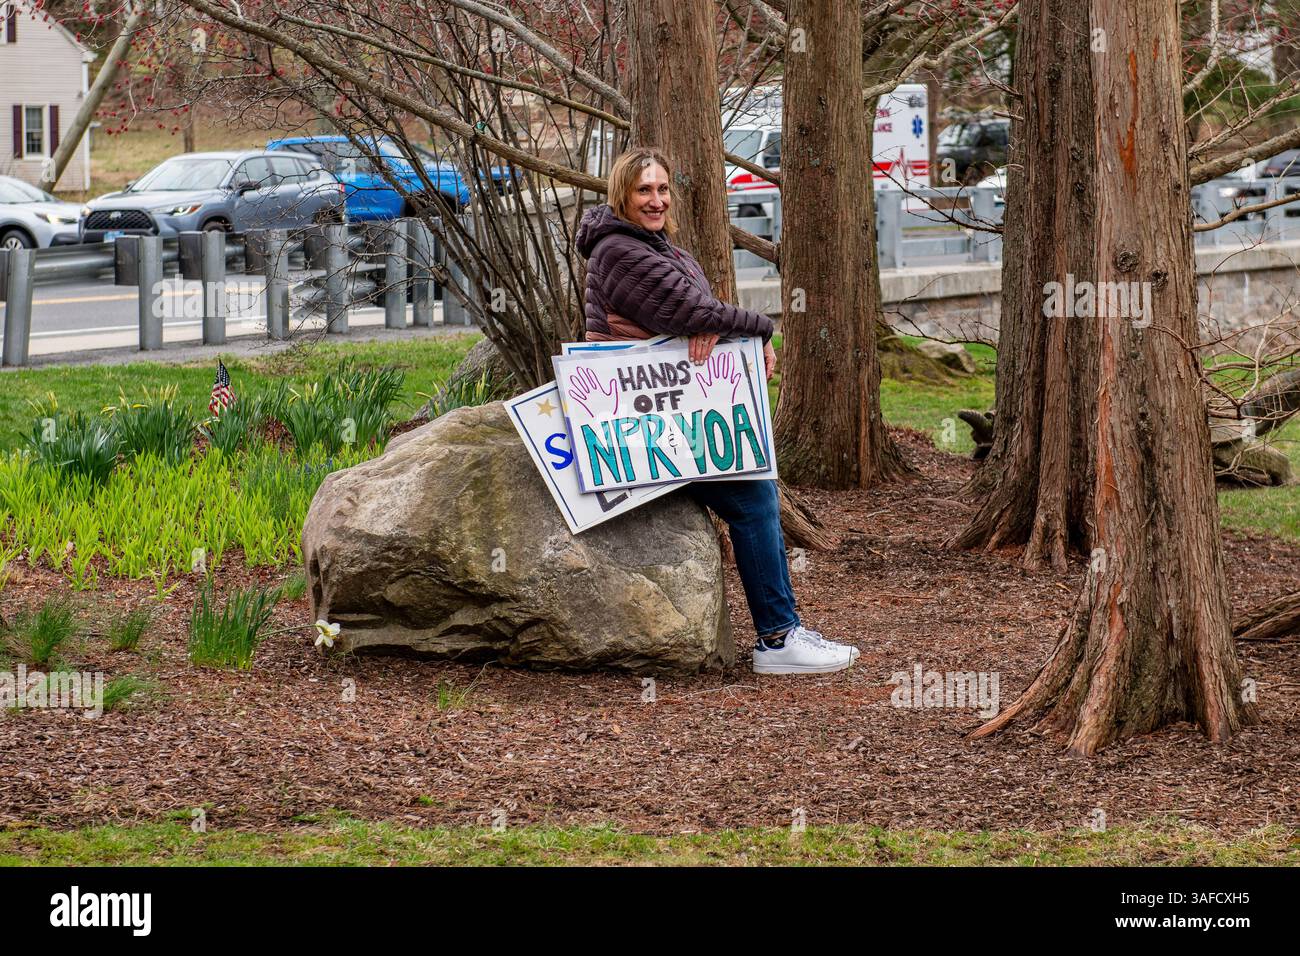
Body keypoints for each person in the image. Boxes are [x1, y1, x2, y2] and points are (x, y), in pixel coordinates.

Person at [574, 147, 860, 675]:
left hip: (663, 411)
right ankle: (777, 639)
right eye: (644, 191)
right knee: (752, 497)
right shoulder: (618, 251)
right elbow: (689, 310)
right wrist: (760, 327)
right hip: (634, 426)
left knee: (757, 485)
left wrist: (717, 327)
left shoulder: (656, 248)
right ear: (622, 196)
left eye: (662, 190)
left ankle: (784, 631)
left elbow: (692, 313)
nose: (656, 200)